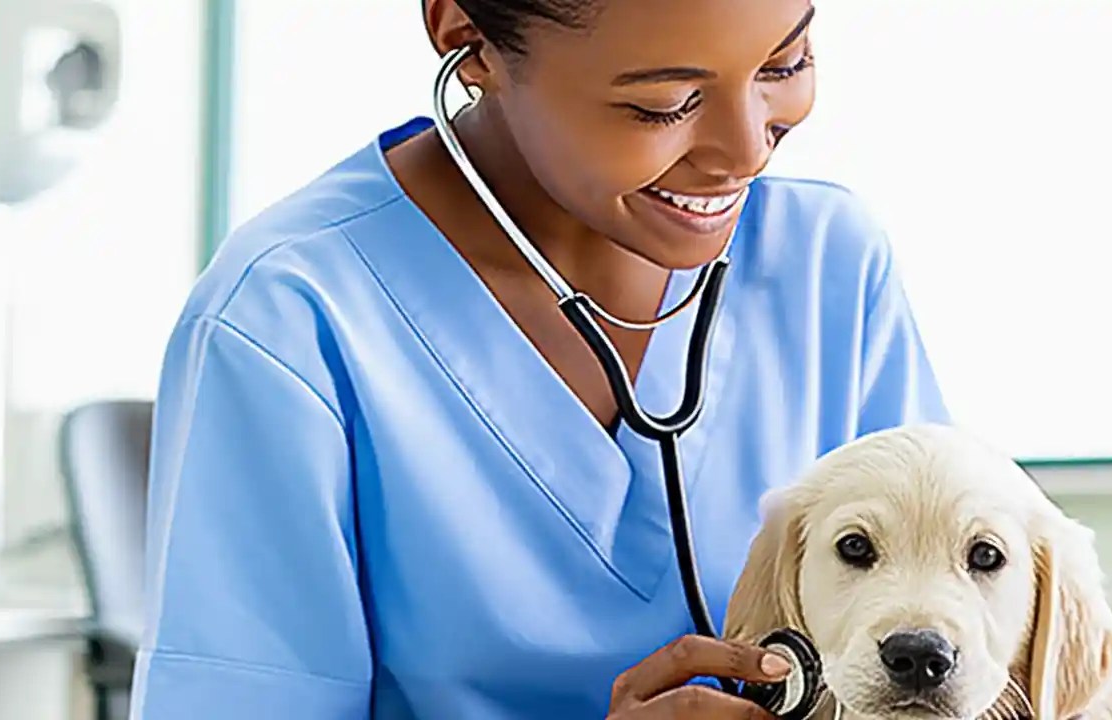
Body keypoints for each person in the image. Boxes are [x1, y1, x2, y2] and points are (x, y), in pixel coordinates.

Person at [128, 0, 949, 718]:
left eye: (786, 63)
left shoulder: (827, 265)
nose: (745, 150)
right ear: (469, 38)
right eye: (664, 104)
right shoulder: (288, 320)